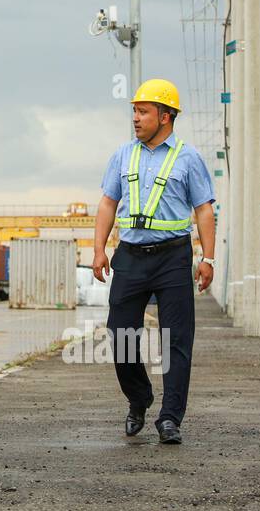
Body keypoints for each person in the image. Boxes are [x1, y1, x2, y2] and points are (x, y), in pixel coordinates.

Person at [92, 79, 216, 445]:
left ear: (165, 117)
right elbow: (106, 204)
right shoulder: (122, 155)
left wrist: (207, 258)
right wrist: (99, 249)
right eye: (134, 110)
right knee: (119, 333)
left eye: (143, 111)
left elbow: (204, 209)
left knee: (176, 340)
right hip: (129, 257)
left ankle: (170, 417)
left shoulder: (189, 158)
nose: (135, 117)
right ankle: (140, 398)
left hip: (173, 258)